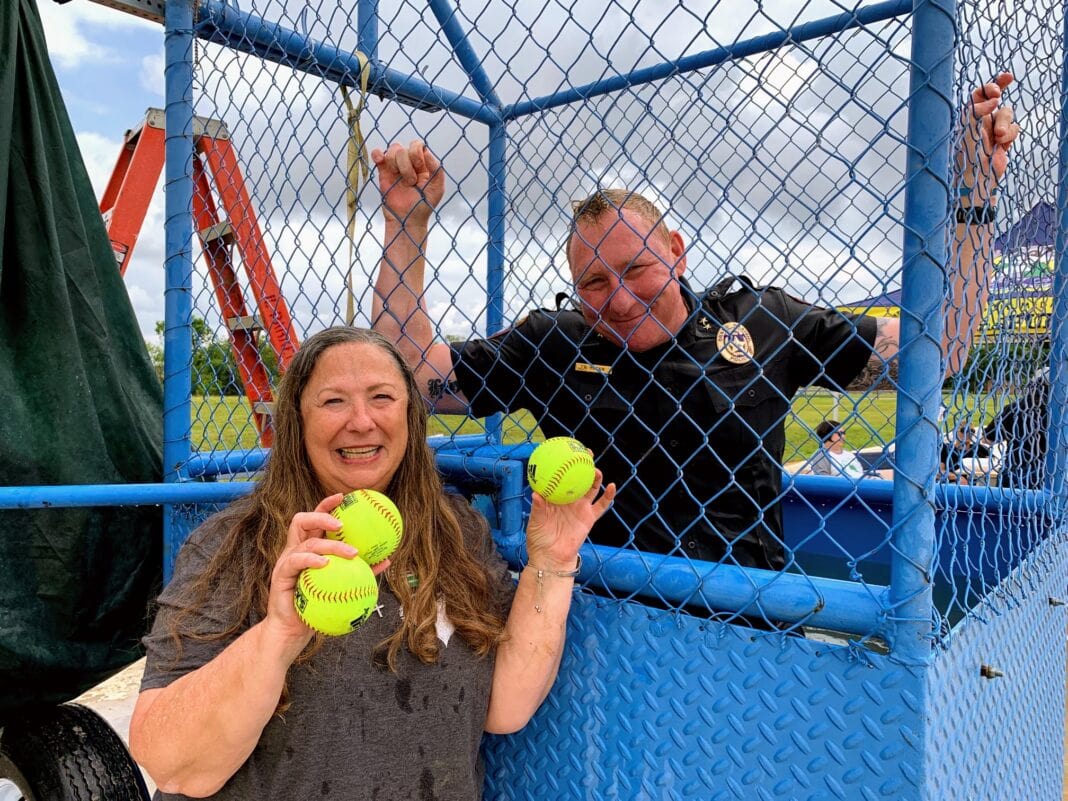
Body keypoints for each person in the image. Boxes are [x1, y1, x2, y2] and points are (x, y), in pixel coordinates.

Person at [371, 75, 1019, 574]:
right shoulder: (555, 342)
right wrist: (407, 226)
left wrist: (974, 200)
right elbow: (418, 379)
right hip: (600, 603)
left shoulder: (761, 320)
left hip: (746, 617)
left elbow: (942, 350)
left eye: (639, 268)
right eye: (594, 282)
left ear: (677, 250)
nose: (619, 298)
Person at [128, 327, 615, 800]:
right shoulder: (234, 543)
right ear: (297, 421)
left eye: (382, 397)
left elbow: (505, 707)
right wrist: (278, 635)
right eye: (333, 400)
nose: (361, 421)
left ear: (410, 415)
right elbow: (170, 764)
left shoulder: (457, 532)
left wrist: (551, 561)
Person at [984, 366, 1049, 489]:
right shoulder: (1060, 413)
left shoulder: (1014, 408)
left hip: (1015, 468)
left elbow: (988, 439)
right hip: (1048, 470)